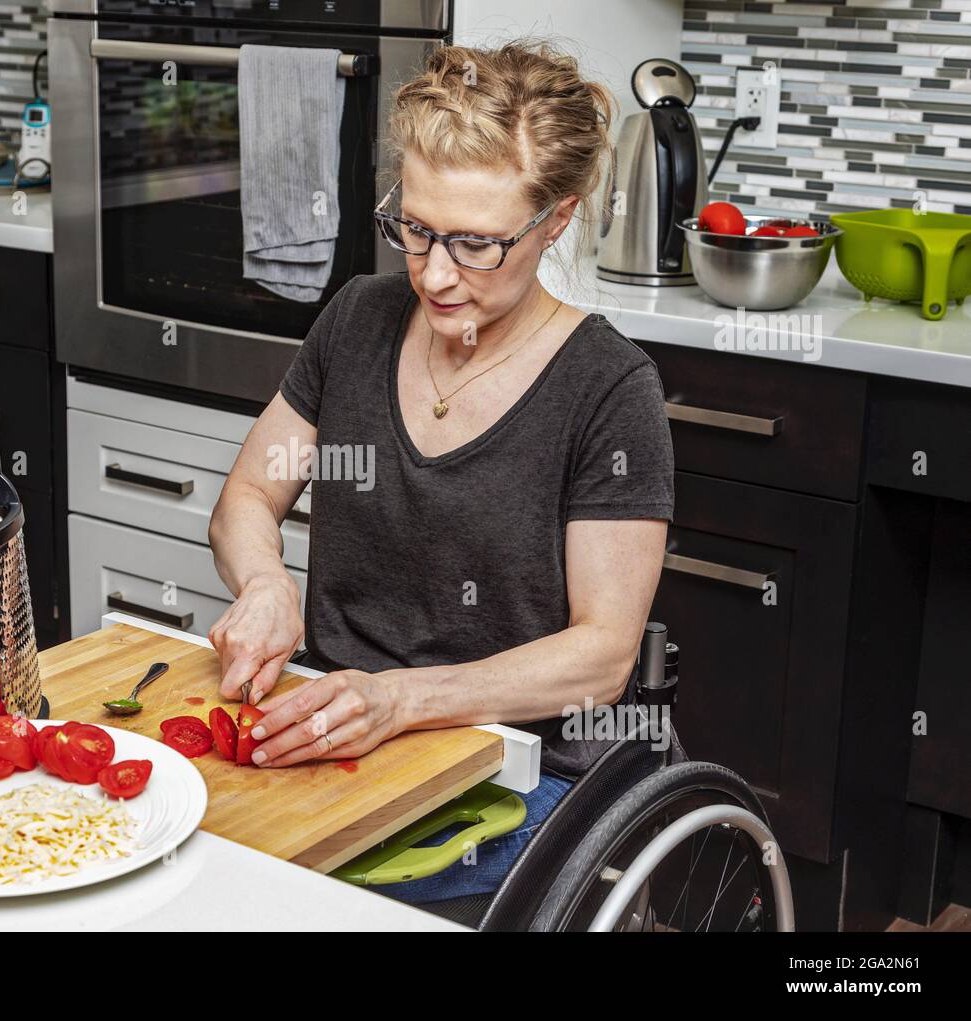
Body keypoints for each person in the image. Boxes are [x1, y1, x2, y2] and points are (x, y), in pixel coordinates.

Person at [207, 41, 674, 904]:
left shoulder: (608, 388)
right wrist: (266, 583)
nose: (434, 272)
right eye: (414, 228)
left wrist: (403, 701)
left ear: (557, 219)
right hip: (339, 728)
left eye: (476, 243)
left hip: (521, 772)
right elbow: (248, 494)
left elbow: (604, 655)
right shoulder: (357, 318)